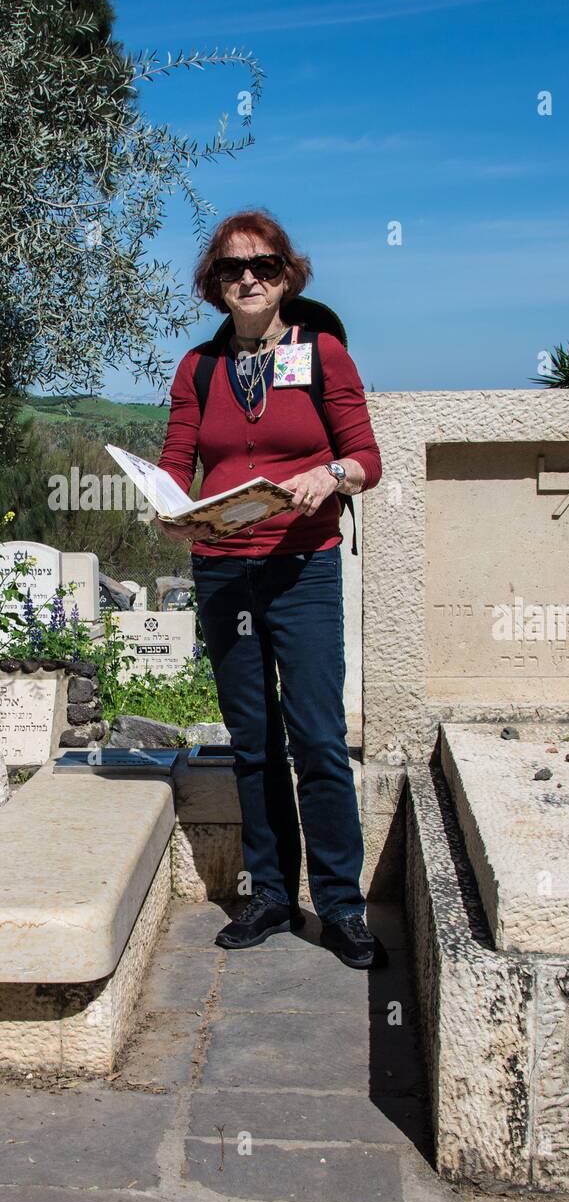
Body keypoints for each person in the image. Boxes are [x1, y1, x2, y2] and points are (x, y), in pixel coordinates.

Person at [156, 209, 384, 968]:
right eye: (230, 269)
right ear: (213, 285)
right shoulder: (197, 368)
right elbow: (177, 459)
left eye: (262, 266)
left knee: (317, 736)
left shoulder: (323, 355)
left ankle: (342, 907)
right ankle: (270, 897)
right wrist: (169, 512)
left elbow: (365, 459)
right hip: (223, 568)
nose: (247, 278)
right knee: (251, 743)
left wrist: (331, 475)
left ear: (288, 275)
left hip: (301, 566)